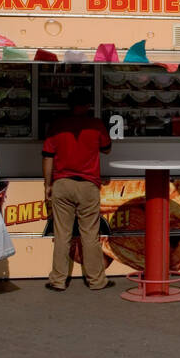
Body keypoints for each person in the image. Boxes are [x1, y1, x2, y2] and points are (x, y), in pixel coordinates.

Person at [43, 87, 114, 291]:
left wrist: (47, 184)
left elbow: (47, 157)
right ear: (88, 105)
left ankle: (58, 280)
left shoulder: (58, 126)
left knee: (62, 234)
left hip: (62, 184)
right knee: (89, 235)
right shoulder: (96, 125)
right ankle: (96, 281)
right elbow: (107, 149)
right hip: (88, 185)